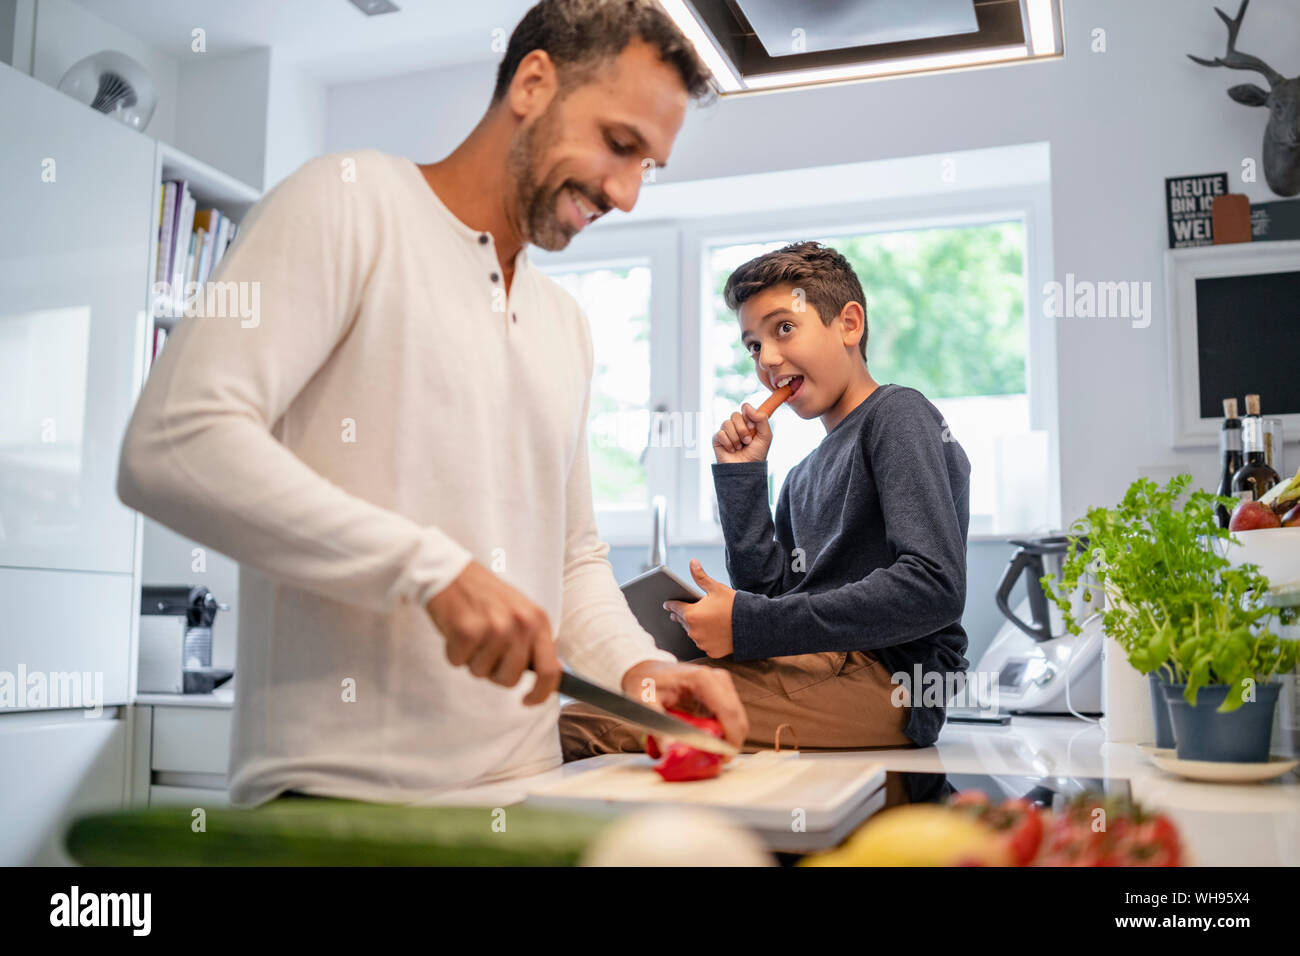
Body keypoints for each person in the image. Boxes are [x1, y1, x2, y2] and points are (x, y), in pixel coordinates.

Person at [117, 0, 747, 808]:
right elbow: (174, 445)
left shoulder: (566, 325)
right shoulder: (348, 203)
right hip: (342, 805)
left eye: (648, 166)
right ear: (532, 83)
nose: (626, 193)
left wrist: (641, 669)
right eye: (619, 145)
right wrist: (432, 570)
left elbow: (573, 558)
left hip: (527, 792)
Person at [559, 241, 971, 758]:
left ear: (849, 324)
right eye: (753, 345)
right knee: (622, 700)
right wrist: (743, 480)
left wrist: (745, 623)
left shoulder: (898, 415)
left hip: (889, 682)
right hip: (825, 669)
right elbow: (772, 597)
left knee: (585, 722)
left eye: (783, 329)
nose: (768, 359)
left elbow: (933, 587)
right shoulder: (801, 476)